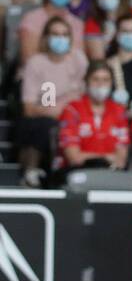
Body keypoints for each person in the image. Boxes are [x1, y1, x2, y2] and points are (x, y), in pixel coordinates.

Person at [18, 17, 88, 187]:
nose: (60, 38)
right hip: (47, 115)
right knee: (42, 126)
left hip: (76, 115)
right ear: (46, 37)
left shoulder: (78, 60)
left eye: (64, 34)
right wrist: (57, 111)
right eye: (55, 34)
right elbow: (28, 108)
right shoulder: (36, 63)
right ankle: (31, 173)